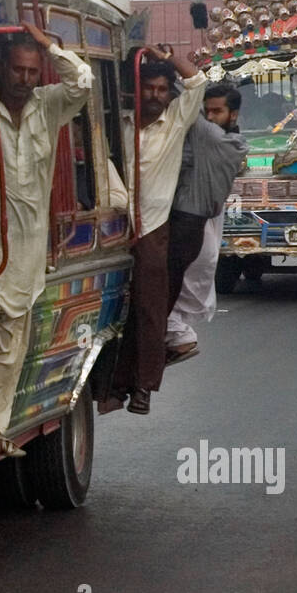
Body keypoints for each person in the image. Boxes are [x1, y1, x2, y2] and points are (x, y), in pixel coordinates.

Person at [0, 22, 93, 457]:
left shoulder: (48, 105)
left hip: (27, 246)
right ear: (2, 68)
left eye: (32, 70)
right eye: (18, 70)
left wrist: (49, 45)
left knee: (12, 339)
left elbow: (84, 80)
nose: (25, 78)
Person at [100, 44, 208, 415]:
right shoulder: (119, 125)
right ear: (136, 89)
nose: (156, 96)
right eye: (150, 88)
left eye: (162, 89)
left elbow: (196, 81)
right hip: (113, 227)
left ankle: (144, 387)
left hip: (152, 228)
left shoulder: (176, 122)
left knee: (149, 311)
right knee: (111, 310)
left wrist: (171, 54)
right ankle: (113, 383)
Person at [166, 84, 248, 363]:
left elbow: (188, 102)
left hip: (190, 224)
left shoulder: (212, 137)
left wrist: (169, 67)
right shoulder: (228, 138)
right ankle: (176, 337)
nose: (210, 116)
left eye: (217, 111)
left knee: (168, 287)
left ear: (233, 115)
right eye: (208, 111)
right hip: (202, 225)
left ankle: (177, 337)